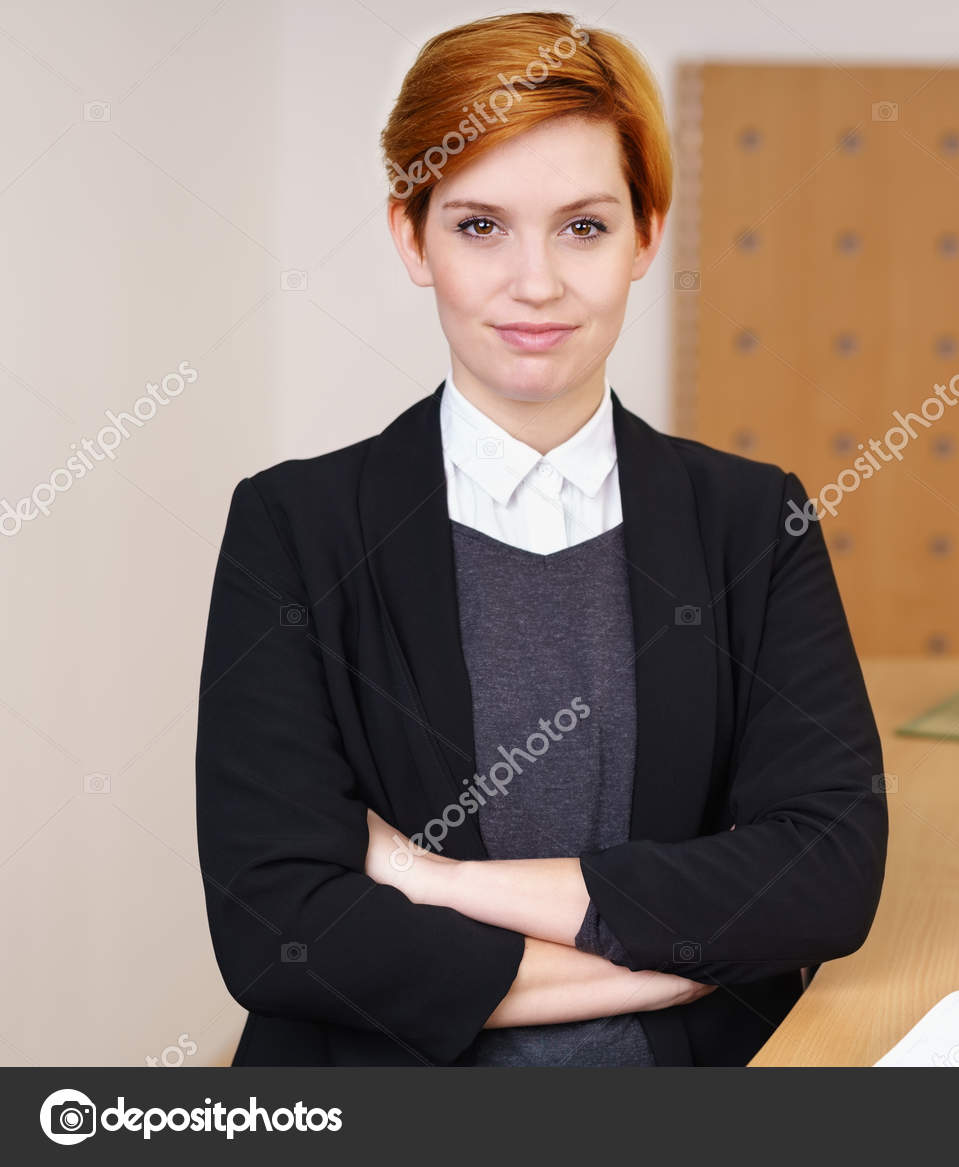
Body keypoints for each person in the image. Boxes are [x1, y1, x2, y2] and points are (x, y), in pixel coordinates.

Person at [194, 11, 888, 1067]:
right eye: (479, 226)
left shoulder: (752, 520)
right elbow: (282, 931)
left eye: (583, 226)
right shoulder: (294, 527)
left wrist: (436, 884)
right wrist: (681, 950)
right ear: (409, 237)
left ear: (647, 234)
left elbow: (826, 875)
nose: (535, 284)